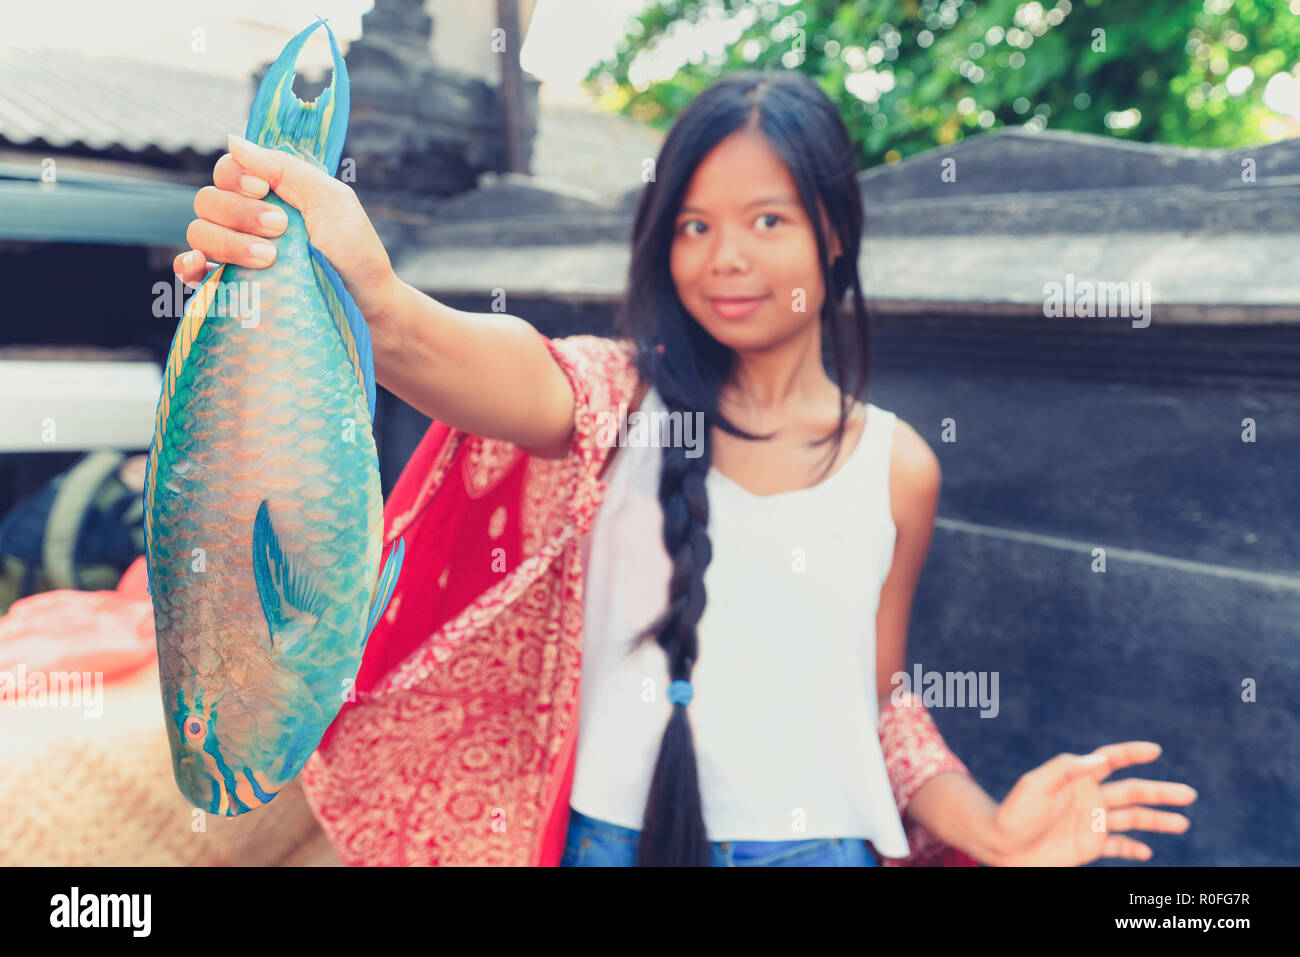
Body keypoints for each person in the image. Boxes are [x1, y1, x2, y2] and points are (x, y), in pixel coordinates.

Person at [173, 69, 1197, 867]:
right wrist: (372, 299)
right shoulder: (615, 401)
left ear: (834, 235)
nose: (724, 259)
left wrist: (1000, 831)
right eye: (694, 226)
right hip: (604, 841)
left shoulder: (899, 468)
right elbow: (435, 349)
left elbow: (874, 703)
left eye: (767, 220)